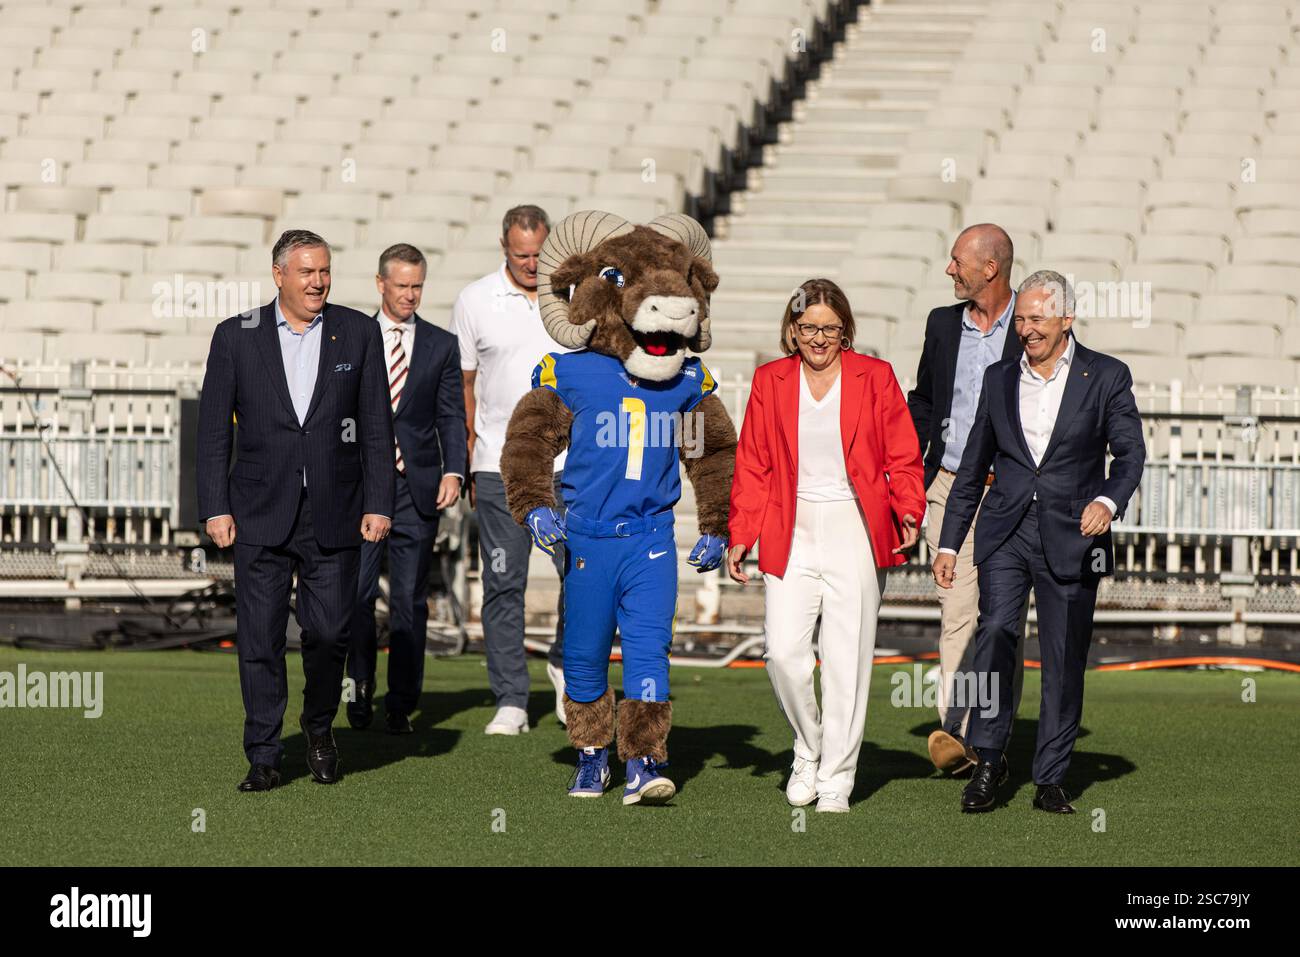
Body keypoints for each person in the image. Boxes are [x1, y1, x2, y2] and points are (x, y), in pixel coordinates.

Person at [933, 270, 1145, 814]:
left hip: (1075, 534)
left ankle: (1050, 777)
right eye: (1021, 318)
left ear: (1067, 318)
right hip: (1005, 531)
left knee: (1062, 656)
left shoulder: (1107, 375)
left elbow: (1130, 455)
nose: (1027, 329)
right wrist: (950, 545)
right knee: (996, 632)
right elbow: (974, 461)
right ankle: (988, 760)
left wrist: (1107, 501)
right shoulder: (1000, 377)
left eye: (1038, 319)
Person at [197, 229, 395, 791]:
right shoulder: (236, 336)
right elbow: (214, 431)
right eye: (307, 272)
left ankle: (317, 728)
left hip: (335, 510)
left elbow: (377, 425)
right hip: (258, 510)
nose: (318, 281)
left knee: (331, 633)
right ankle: (263, 753)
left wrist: (380, 500)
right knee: (258, 639)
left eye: (325, 271)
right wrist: (215, 506)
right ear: (279, 274)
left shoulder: (358, 333)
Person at [728, 278, 926, 812]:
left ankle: (837, 777)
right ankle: (808, 747)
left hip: (854, 527)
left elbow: (902, 455)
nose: (819, 338)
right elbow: (752, 462)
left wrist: (909, 507)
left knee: (847, 658)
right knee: (784, 652)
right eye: (809, 327)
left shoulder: (876, 377)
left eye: (830, 329)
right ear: (792, 330)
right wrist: (741, 532)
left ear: (846, 330)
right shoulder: (770, 380)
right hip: (787, 525)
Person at [908, 224, 1027, 776]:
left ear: (989, 269)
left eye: (958, 261)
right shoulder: (941, 323)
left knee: (999, 620)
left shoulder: (1029, 328)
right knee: (957, 613)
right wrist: (908, 473)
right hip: (947, 487)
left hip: (1003, 495)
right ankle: (957, 735)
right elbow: (925, 401)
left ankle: (990, 732)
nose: (949, 269)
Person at [449, 205, 568, 734]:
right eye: (521, 254)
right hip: (498, 465)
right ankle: (512, 699)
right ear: (504, 247)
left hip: (569, 464)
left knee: (583, 575)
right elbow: (465, 385)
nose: (531, 263)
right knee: (502, 580)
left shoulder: (572, 297)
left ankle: (572, 672)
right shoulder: (475, 300)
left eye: (540, 253)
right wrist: (469, 457)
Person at [346, 243, 467, 734]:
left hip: (418, 490)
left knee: (410, 601)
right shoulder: (352, 337)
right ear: (381, 285)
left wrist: (453, 470)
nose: (411, 295)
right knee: (355, 596)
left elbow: (450, 415)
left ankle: (400, 702)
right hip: (361, 489)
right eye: (402, 286)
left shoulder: (440, 343)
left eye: (418, 286)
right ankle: (358, 689)